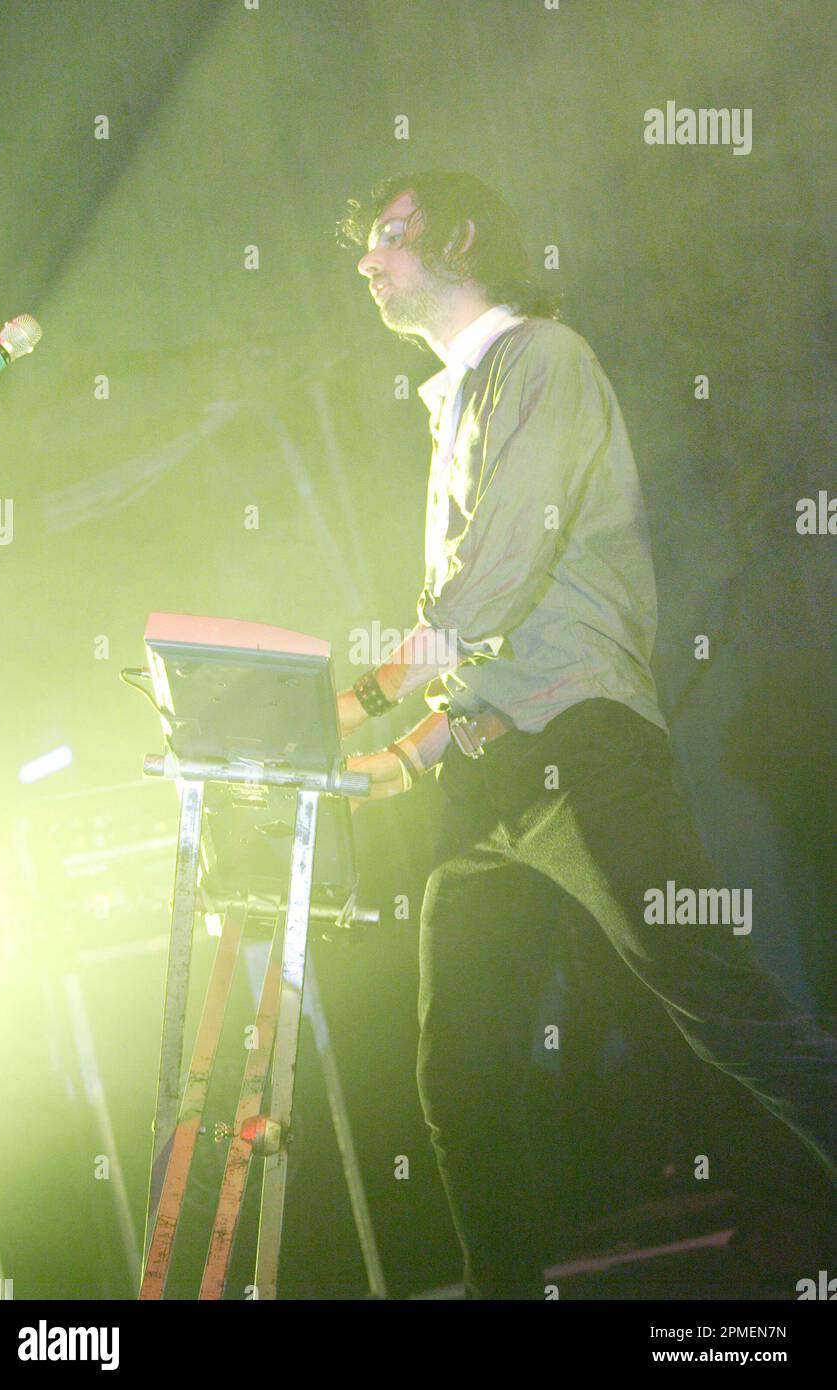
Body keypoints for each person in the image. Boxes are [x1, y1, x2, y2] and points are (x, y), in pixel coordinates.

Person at [333, 170, 837, 1299]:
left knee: (728, 1019)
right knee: (457, 1081)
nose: (369, 263)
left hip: (580, 749)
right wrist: (394, 760)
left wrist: (357, 698)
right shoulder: (459, 396)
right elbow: (486, 651)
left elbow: (499, 575)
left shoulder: (543, 361)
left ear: (464, 238)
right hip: (491, 773)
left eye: (393, 239)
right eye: (365, 247)